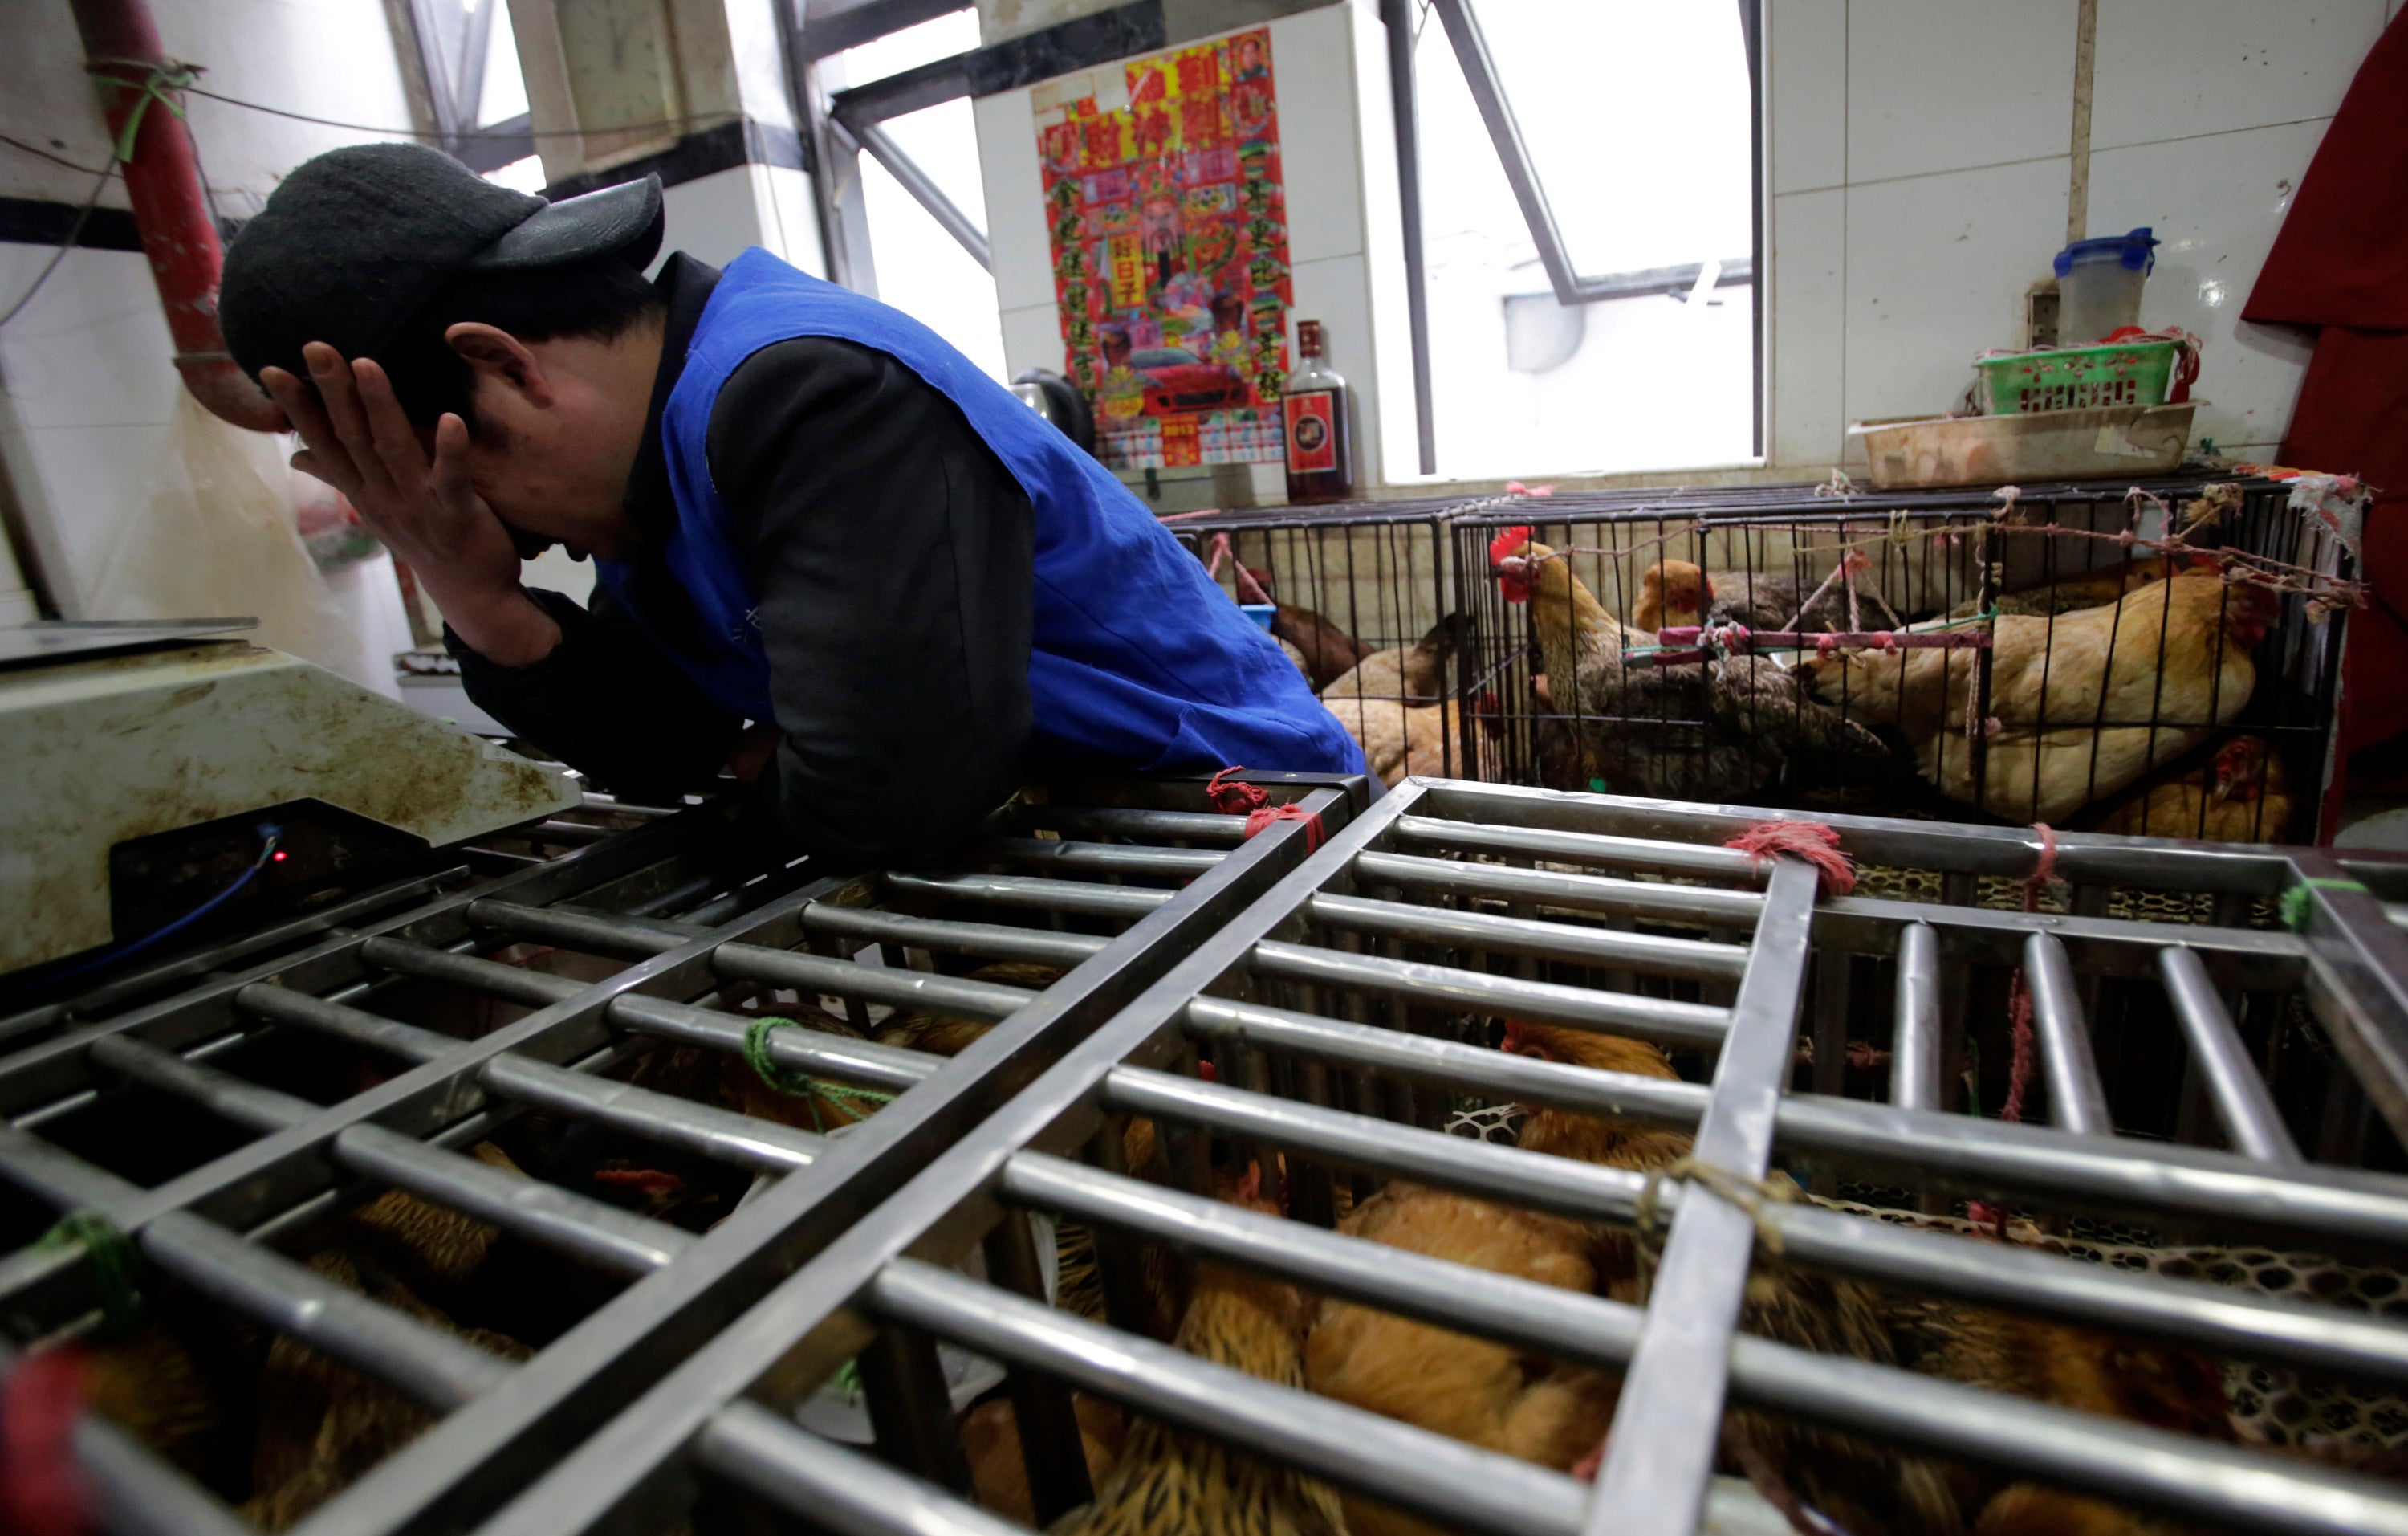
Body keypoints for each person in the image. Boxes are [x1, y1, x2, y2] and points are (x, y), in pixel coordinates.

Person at [217, 143, 1363, 865]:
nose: (510, 540)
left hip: (1242, 831)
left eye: (462, 493)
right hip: (1086, 847)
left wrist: (780, 767)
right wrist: (482, 605)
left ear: (505, 367)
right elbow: (668, 745)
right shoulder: (652, 484)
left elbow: (891, 798)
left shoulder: (808, 396)